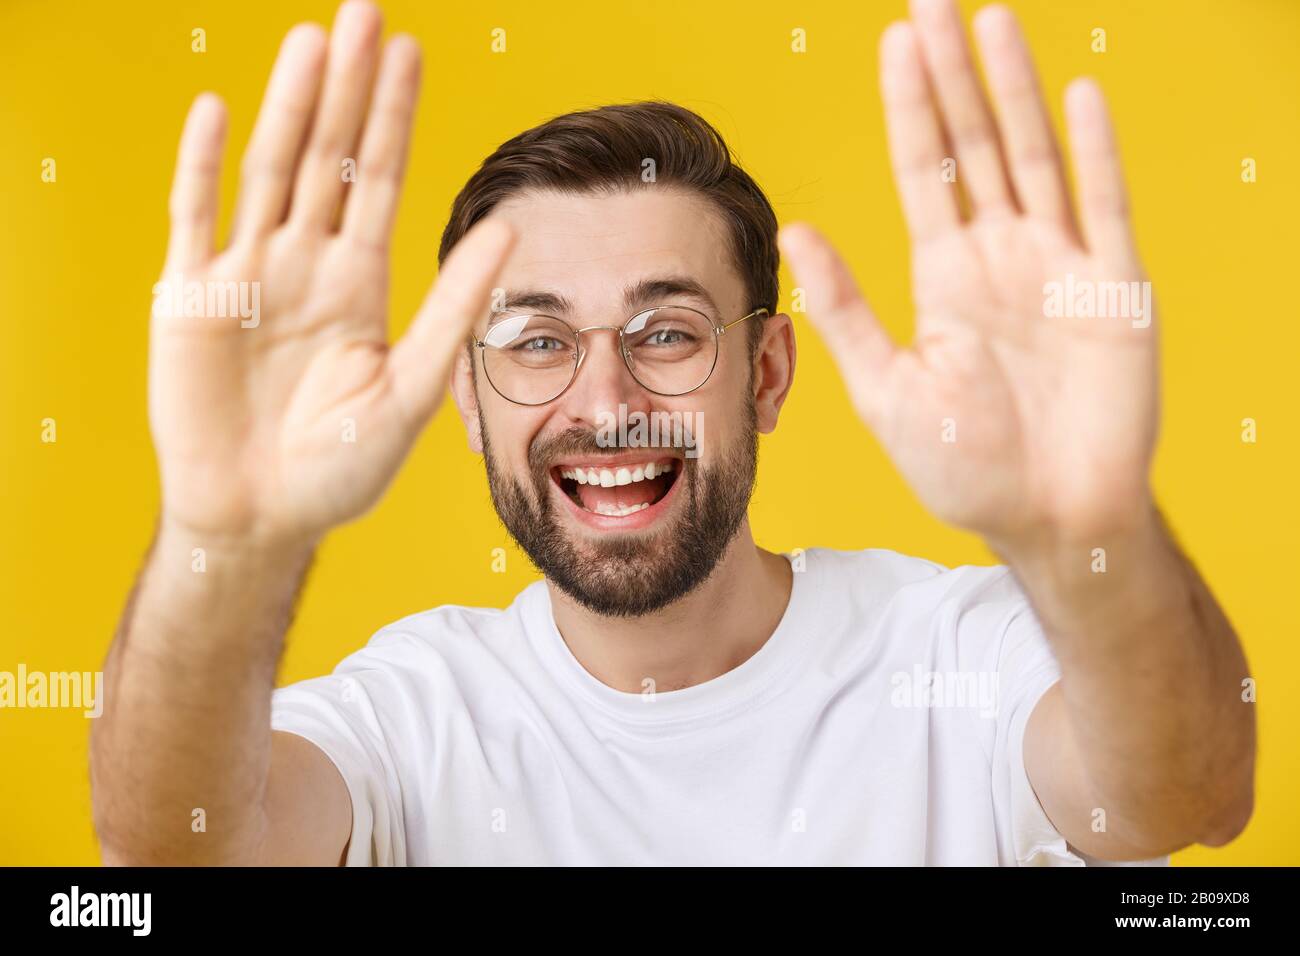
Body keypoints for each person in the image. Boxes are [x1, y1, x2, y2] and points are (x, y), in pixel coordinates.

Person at [90, 0, 1255, 866]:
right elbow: (169, 849)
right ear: (467, 396)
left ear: (765, 371)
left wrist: (1084, 533)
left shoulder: (951, 656)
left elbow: (1189, 793)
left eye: (665, 331)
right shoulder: (413, 713)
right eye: (537, 342)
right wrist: (223, 541)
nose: (604, 404)